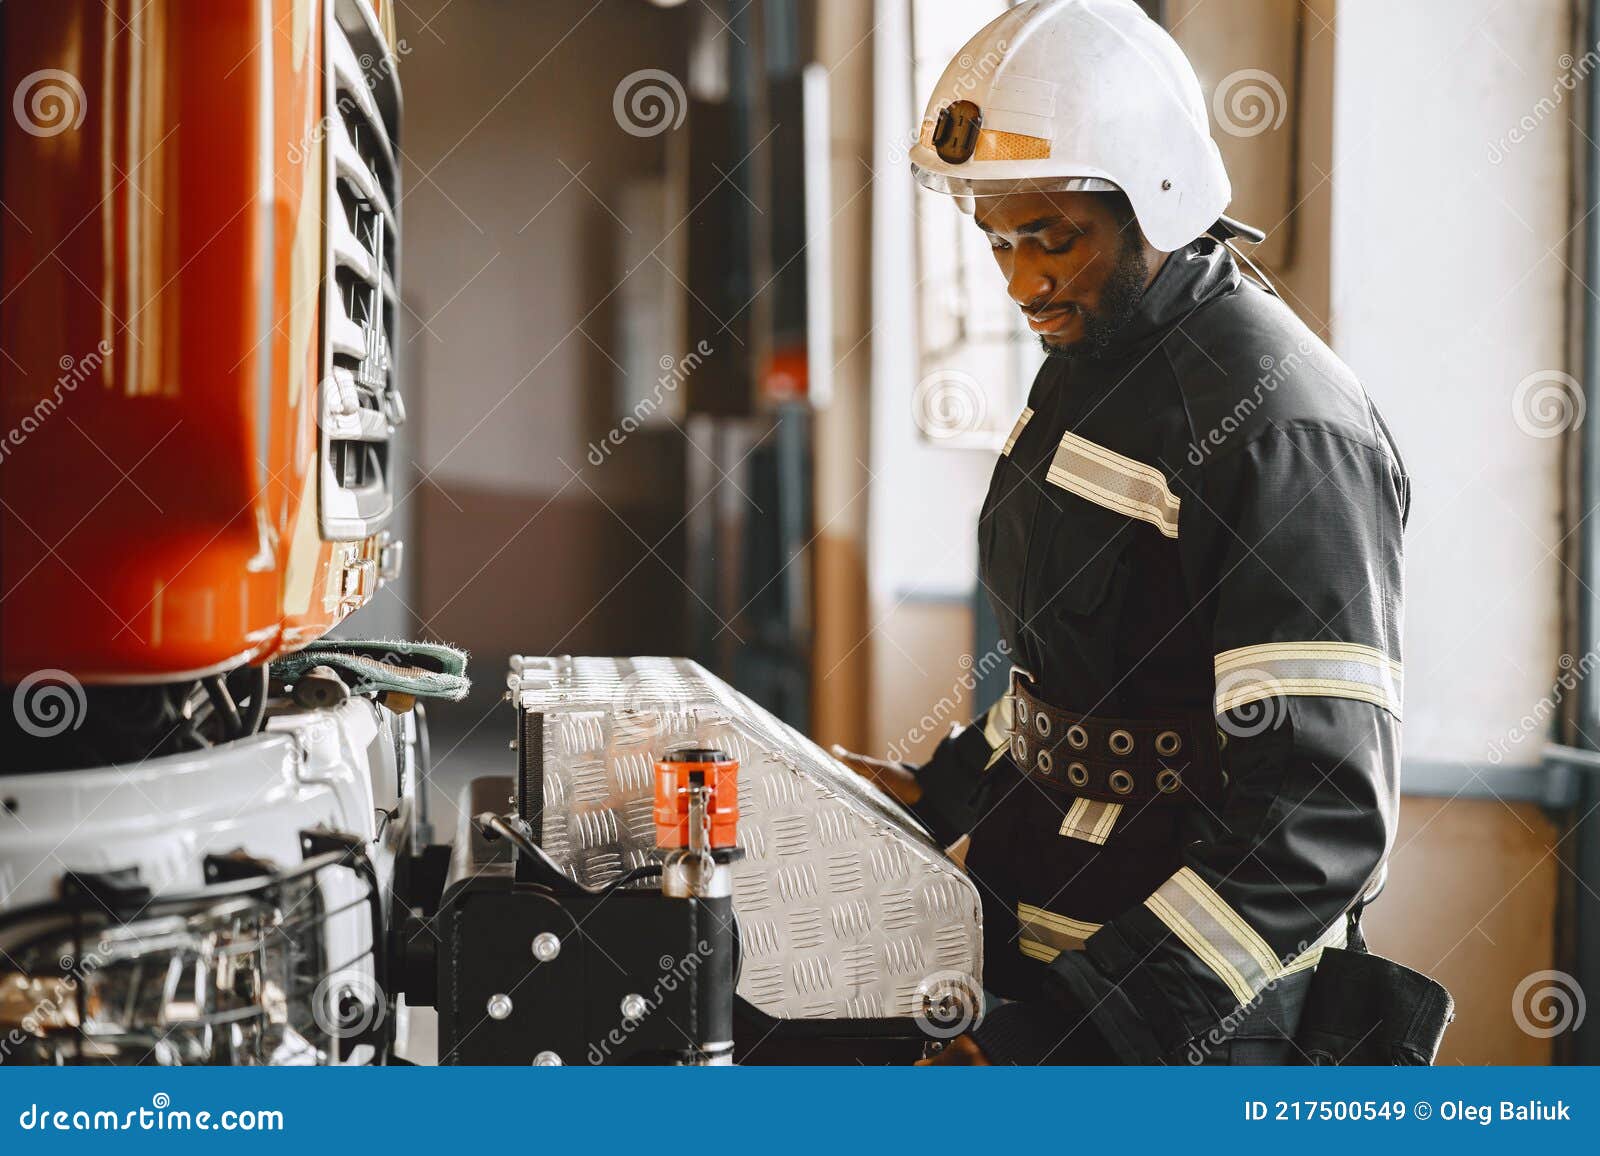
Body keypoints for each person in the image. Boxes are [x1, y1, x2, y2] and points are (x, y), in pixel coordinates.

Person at [855, 0, 1409, 1064]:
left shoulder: (1284, 430)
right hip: (1030, 961)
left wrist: (1076, 1037)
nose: (1021, 281)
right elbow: (1092, 671)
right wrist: (938, 791)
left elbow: (1317, 820)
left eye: (1053, 240)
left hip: (1179, 1039)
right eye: (997, 239)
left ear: (1157, 200)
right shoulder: (1093, 358)